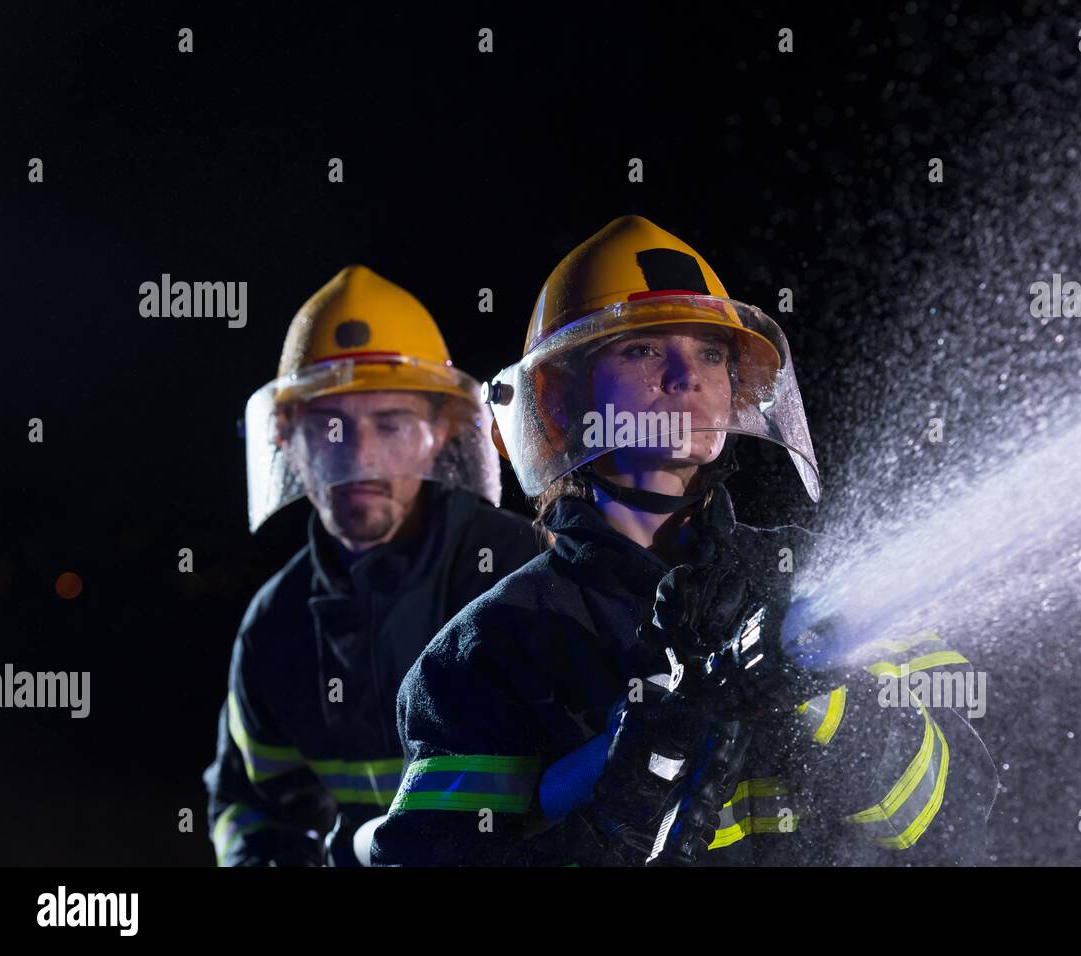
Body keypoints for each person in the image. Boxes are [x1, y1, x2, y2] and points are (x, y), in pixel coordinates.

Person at [371, 217, 998, 866]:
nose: (686, 376)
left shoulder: (818, 576)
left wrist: (818, 683)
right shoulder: (485, 656)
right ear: (560, 399)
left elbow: (966, 815)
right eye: (642, 350)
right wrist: (611, 821)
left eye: (710, 352)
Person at [203, 265, 541, 866]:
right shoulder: (274, 626)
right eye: (329, 428)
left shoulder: (529, 576)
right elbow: (248, 809)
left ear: (440, 433)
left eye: (391, 425)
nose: (358, 457)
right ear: (286, 438)